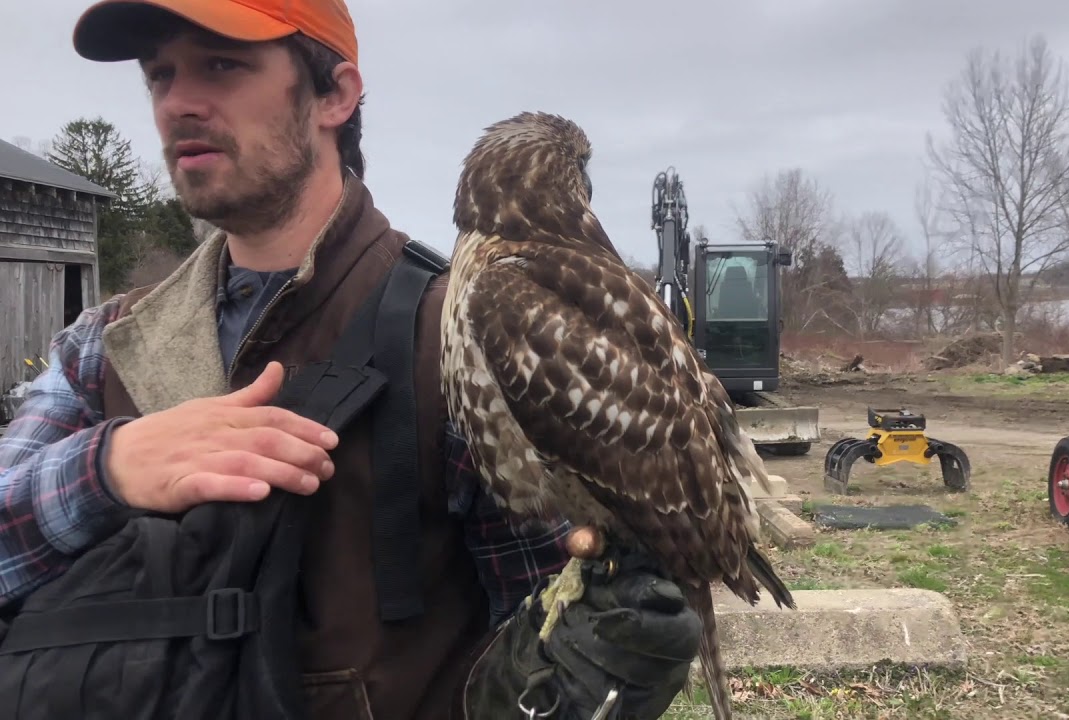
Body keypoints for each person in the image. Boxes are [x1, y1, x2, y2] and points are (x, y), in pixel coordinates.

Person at [0, 0, 701, 717]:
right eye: (159, 76)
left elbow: (553, 618)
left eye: (221, 65)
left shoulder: (456, 333)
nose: (179, 103)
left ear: (335, 94)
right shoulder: (104, 343)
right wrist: (108, 468)